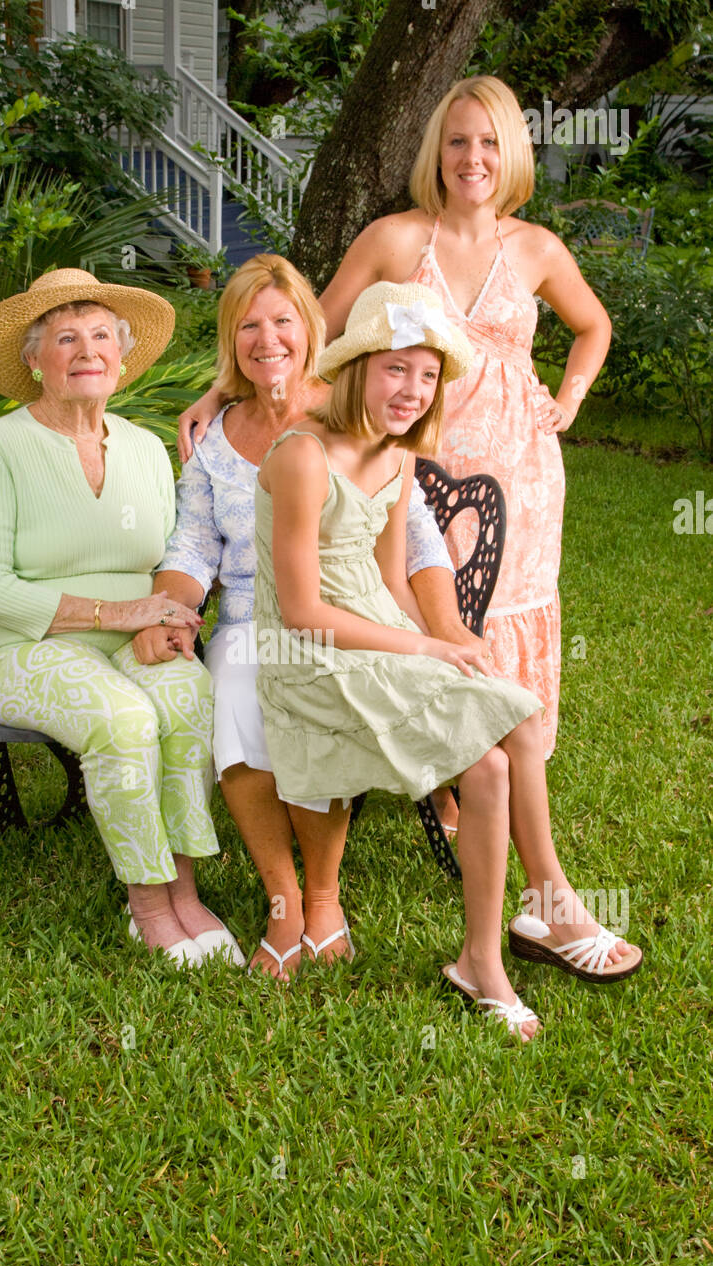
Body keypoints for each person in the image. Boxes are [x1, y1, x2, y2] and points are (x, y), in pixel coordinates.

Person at [179, 75, 612, 763]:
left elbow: (593, 326)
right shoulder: (396, 236)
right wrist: (223, 389)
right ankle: (436, 755)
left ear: (513, 154)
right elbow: (310, 333)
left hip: (519, 466)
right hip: (410, 456)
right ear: (436, 153)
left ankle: (495, 752)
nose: (473, 157)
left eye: (490, 142)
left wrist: (569, 399)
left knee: (501, 603)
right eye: (457, 141)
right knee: (414, 587)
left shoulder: (538, 248)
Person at [253, 280, 641, 1038]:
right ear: (360, 366)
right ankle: (502, 947)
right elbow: (300, 611)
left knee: (515, 716)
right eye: (396, 369)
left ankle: (527, 921)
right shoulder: (303, 455)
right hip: (309, 657)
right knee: (488, 759)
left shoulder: (397, 459)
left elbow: (394, 580)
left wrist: (444, 647)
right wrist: (421, 648)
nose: (412, 390)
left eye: (427, 376)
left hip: (373, 630)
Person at [137, 253, 481, 980]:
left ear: (313, 330)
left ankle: (324, 899)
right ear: (231, 340)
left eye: (284, 322)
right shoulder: (214, 440)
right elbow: (192, 544)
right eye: (248, 326)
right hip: (248, 621)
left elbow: (414, 531)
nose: (268, 340)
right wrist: (169, 610)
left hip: (343, 614)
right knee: (234, 689)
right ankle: (285, 899)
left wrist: (443, 628)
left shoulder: (347, 411)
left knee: (308, 692)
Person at [0, 268, 244, 970]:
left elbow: (179, 553)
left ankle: (185, 890)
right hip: (14, 645)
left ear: (119, 355)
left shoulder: (144, 447)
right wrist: (120, 610)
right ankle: (146, 903)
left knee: (187, 697)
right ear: (34, 360)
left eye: (99, 337)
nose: (87, 351)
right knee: (123, 719)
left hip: (131, 636)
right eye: (65, 338)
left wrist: (164, 619)